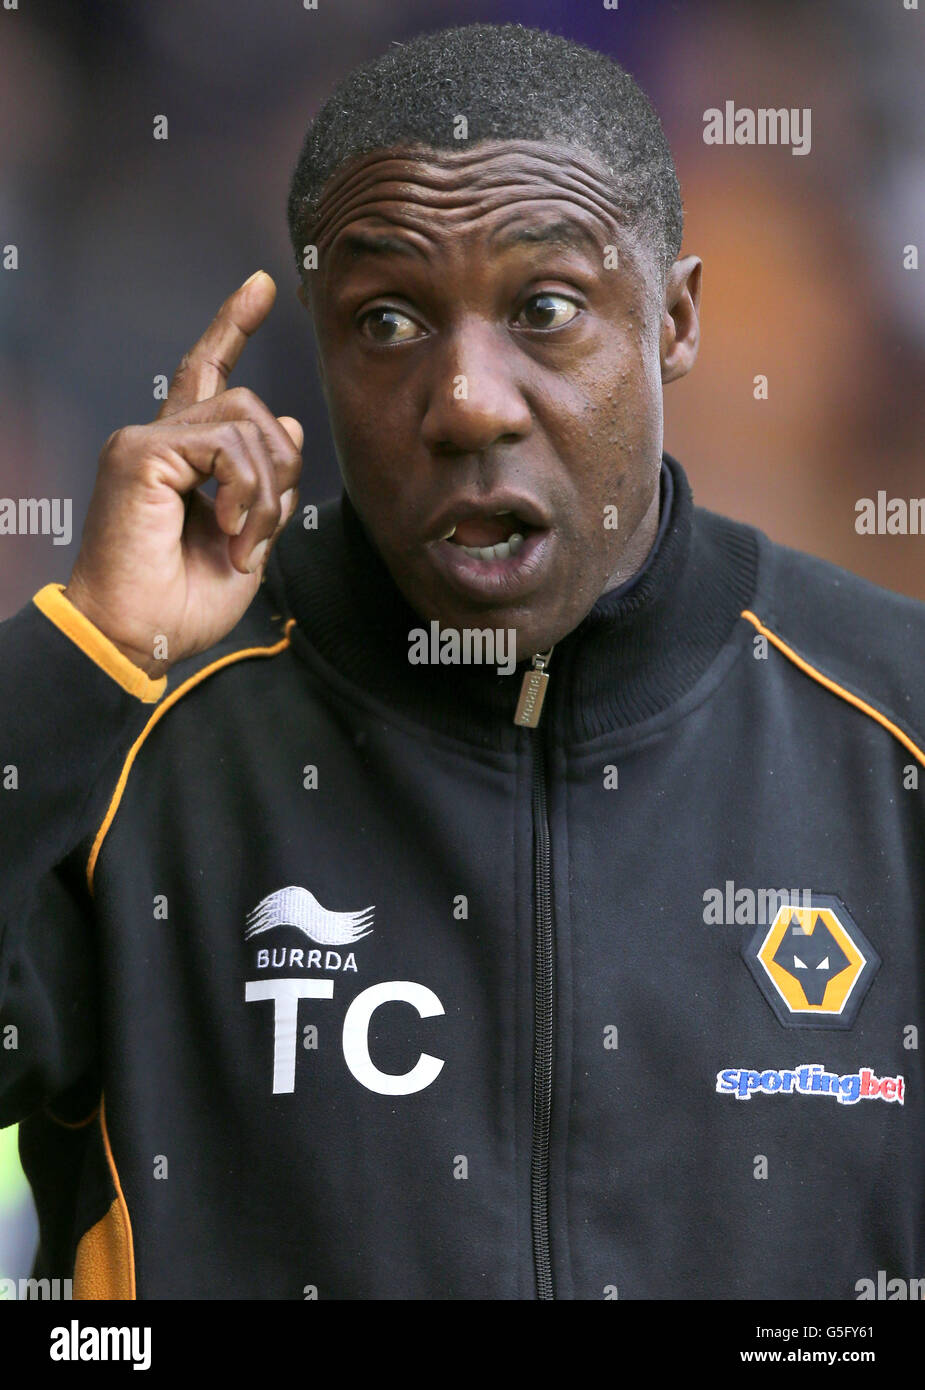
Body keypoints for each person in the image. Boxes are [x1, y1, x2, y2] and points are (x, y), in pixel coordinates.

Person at [1, 22, 922, 1302]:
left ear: (674, 319)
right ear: (312, 354)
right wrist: (82, 652)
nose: (467, 400)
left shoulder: (895, 730)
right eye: (385, 320)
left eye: (544, 309)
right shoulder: (134, 733)